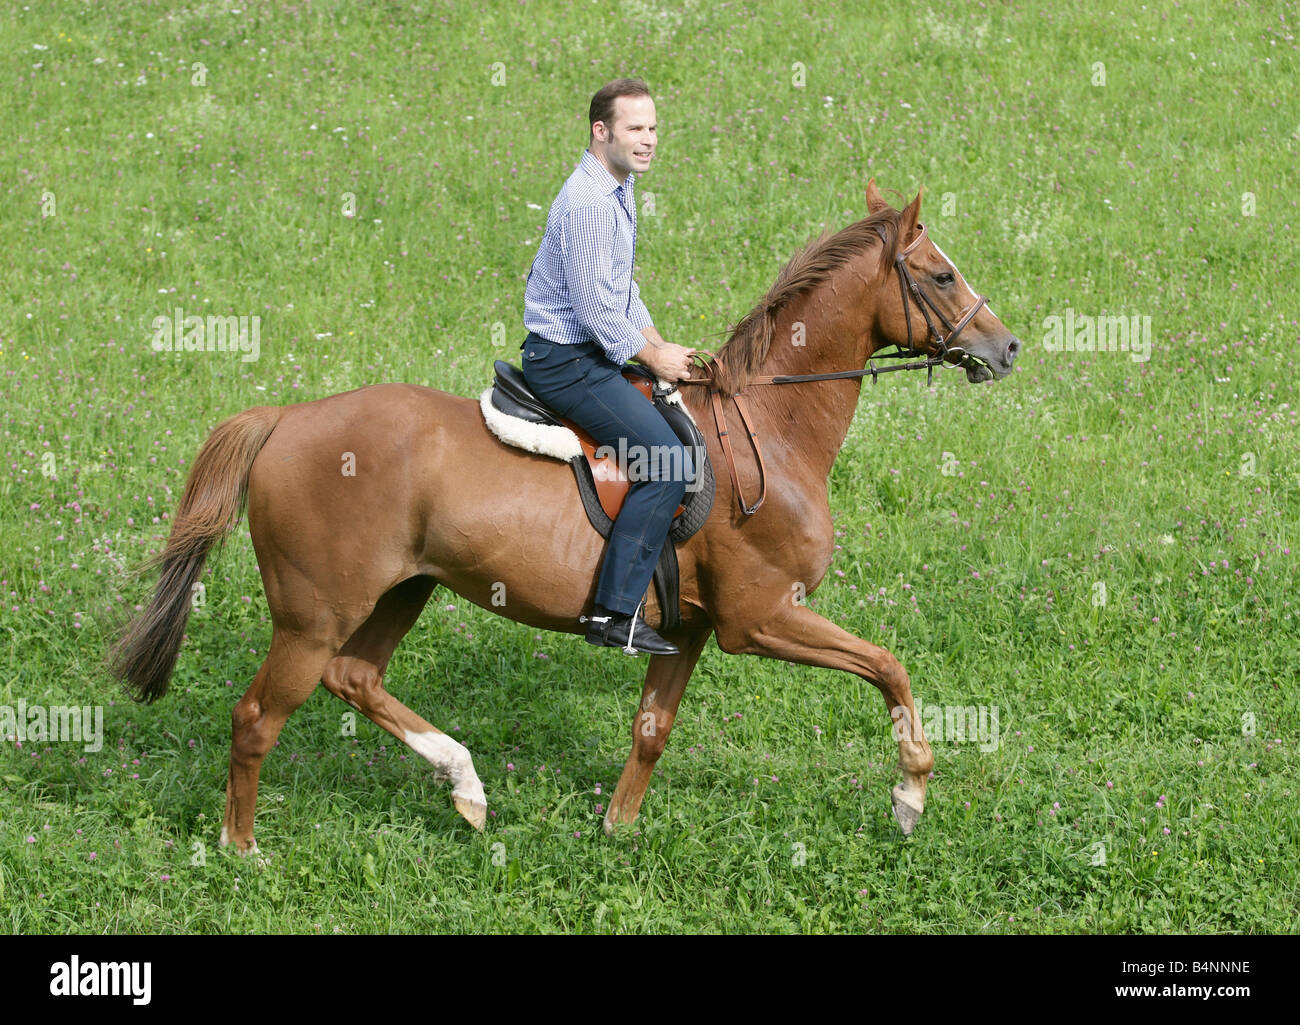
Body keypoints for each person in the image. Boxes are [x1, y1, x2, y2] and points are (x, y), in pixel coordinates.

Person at [521, 78, 696, 656]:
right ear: (602, 132)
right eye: (635, 129)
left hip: (595, 350)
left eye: (652, 129)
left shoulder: (619, 188)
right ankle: (614, 614)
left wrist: (658, 343)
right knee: (666, 462)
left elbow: (621, 290)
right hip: (569, 362)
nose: (648, 141)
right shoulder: (592, 202)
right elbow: (597, 310)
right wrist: (650, 356)